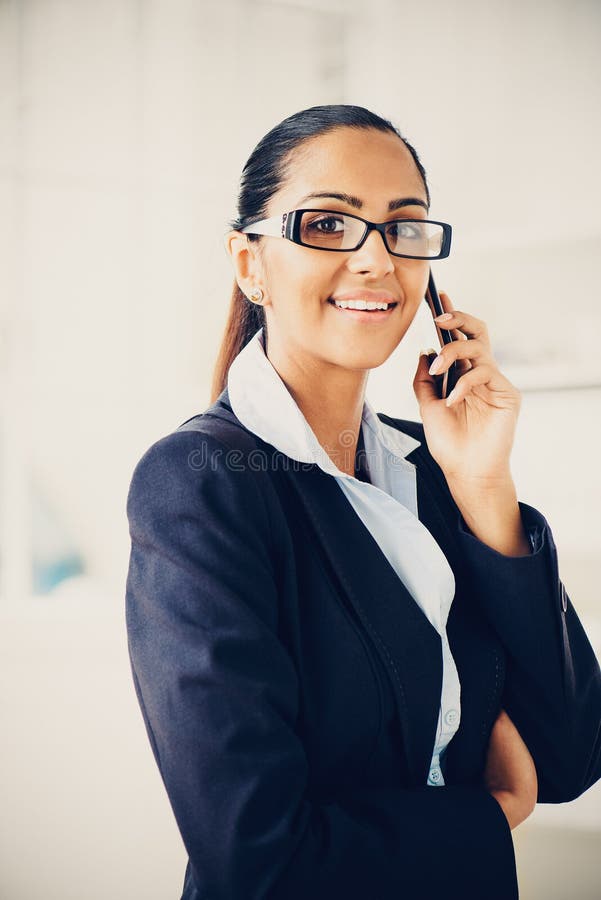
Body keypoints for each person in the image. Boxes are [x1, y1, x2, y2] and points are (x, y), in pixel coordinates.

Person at [124, 104, 601, 900]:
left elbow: (571, 756)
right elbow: (259, 857)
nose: (377, 261)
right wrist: (487, 815)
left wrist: (484, 488)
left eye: (403, 228)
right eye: (328, 224)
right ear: (250, 264)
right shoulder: (201, 483)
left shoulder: (436, 468)